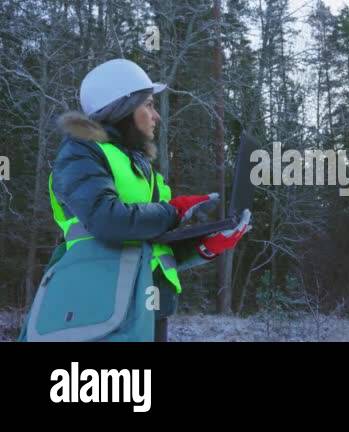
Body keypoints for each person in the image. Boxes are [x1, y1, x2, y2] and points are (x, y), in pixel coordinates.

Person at [23, 58, 251, 342]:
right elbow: (107, 219)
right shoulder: (81, 152)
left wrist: (207, 244)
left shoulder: (145, 171)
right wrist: (172, 212)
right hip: (95, 307)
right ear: (123, 109)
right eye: (149, 105)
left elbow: (153, 247)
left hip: (148, 307)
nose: (156, 116)